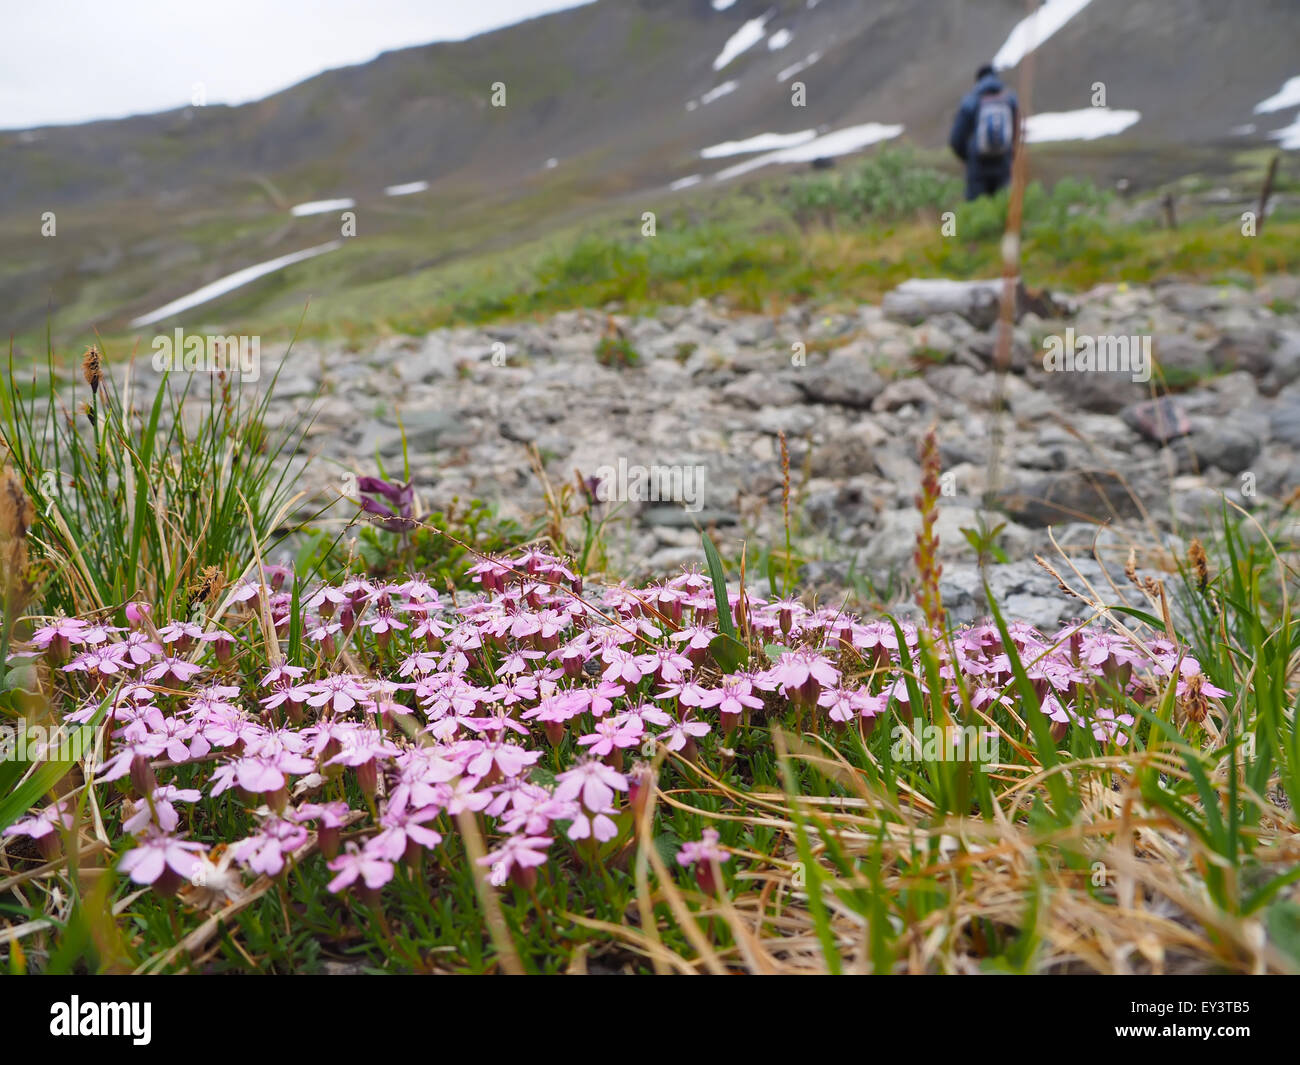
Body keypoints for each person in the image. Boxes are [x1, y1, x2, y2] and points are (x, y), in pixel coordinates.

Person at [949, 64, 1019, 201]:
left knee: (977, 208)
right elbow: (1016, 134)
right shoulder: (1009, 100)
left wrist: (968, 156)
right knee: (1002, 206)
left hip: (978, 166)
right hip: (1003, 164)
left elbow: (956, 139)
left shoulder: (971, 101)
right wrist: (1010, 154)